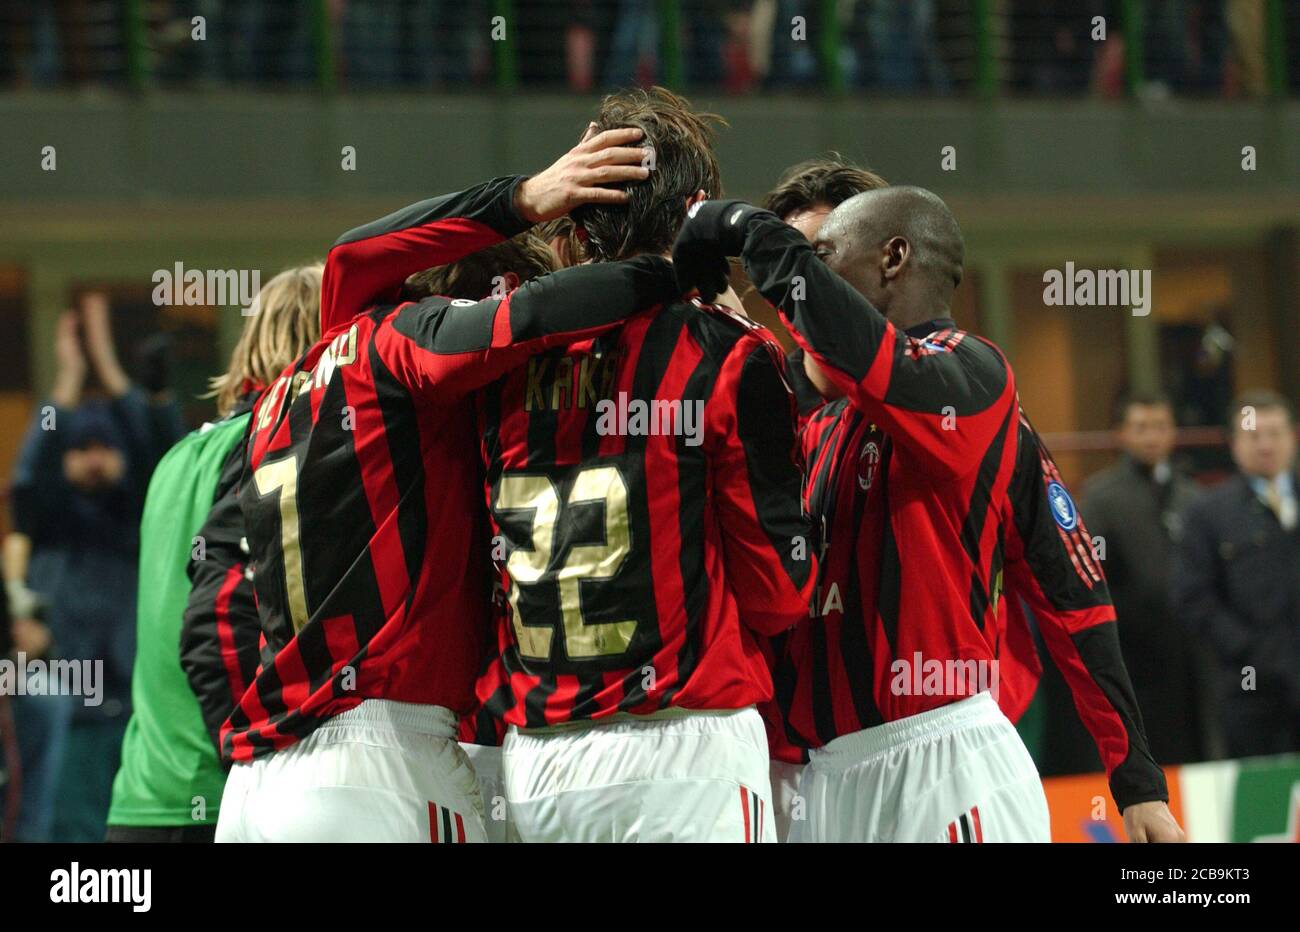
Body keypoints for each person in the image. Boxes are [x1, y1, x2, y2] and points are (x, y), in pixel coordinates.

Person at [673, 185, 1184, 842]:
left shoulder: (973, 380)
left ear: (891, 259)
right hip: (806, 780)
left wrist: (1136, 779)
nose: (795, 290)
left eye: (818, 256)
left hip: (939, 758)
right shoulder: (804, 422)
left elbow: (1075, 600)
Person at [216, 128, 680, 843]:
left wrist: (521, 200)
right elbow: (518, 321)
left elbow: (353, 253)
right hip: (379, 758)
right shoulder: (407, 343)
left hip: (260, 774)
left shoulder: (293, 385)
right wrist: (676, 270)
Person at [473, 87, 816, 843]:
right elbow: (779, 590)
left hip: (536, 760)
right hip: (684, 746)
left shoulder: (496, 357)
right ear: (697, 208)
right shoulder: (729, 352)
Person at [104, 264, 323, 843]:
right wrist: (259, 766)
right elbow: (211, 624)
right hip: (219, 799)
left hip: (142, 799)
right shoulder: (269, 445)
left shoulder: (177, 455)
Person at [8, 292, 184, 841]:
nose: (94, 457)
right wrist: (65, 383)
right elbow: (27, 478)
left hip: (138, 709)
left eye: (105, 448)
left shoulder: (140, 514)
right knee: (68, 832)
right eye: (81, 448)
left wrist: (109, 366)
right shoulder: (50, 520)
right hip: (70, 705)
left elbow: (163, 446)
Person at [1069, 391, 1205, 767]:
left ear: (1174, 432)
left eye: (1160, 426)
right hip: (1131, 655)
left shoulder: (1192, 494)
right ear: (1121, 434)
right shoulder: (1101, 496)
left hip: (1189, 656)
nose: (1152, 437)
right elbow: (1090, 575)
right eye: (1141, 427)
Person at [1172, 391, 1299, 758]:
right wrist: (1251, 650)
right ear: (1234, 443)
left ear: (1292, 437)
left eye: (1275, 433)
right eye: (1253, 435)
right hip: (1250, 689)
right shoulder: (1208, 513)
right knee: (1263, 802)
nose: (1265, 445)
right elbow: (1191, 599)